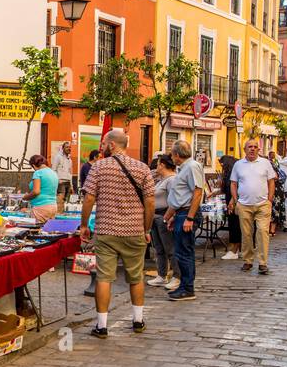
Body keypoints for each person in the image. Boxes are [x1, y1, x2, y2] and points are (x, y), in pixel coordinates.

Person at [79, 128, 155, 337]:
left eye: (104, 143)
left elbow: (89, 198)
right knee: (136, 276)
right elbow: (150, 201)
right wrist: (146, 228)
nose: (101, 147)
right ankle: (138, 321)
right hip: (134, 231)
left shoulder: (98, 167)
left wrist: (84, 225)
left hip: (106, 230)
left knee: (104, 278)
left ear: (112, 145)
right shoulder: (142, 168)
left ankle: (102, 326)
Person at [164, 140, 205, 302]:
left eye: (172, 154)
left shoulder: (192, 166)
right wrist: (172, 215)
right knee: (181, 252)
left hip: (187, 214)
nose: (172, 158)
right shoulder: (185, 168)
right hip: (181, 213)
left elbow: (197, 192)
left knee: (184, 253)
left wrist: (190, 217)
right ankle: (184, 286)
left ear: (177, 155)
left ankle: (188, 288)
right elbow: (182, 195)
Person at [230, 139, 276, 275]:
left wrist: (270, 200)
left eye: (255, 147)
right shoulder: (238, 165)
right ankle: (248, 260)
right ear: (245, 149)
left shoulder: (265, 163)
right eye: (250, 147)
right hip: (244, 204)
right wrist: (235, 200)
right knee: (246, 234)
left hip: (263, 204)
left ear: (259, 150)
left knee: (262, 232)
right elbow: (233, 183)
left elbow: (271, 182)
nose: (252, 149)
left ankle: (262, 263)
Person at [148, 154, 180, 289]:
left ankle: (177, 276)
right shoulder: (162, 180)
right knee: (159, 249)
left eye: (158, 164)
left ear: (163, 165)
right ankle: (161, 275)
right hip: (155, 217)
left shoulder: (172, 180)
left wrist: (169, 216)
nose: (156, 167)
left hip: (164, 216)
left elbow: (175, 200)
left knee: (170, 248)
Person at [218, 153, 241, 260]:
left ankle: (234, 250)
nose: (221, 166)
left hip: (234, 202)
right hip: (232, 201)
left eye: (222, 164)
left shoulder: (233, 173)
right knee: (234, 225)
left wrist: (232, 201)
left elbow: (235, 188)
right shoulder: (230, 173)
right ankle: (236, 249)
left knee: (234, 226)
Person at [26, 154, 59, 223]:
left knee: (36, 231)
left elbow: (36, 192)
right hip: (53, 206)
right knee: (47, 231)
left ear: (34, 165)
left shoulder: (38, 173)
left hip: (41, 207)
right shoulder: (53, 173)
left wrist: (26, 197)